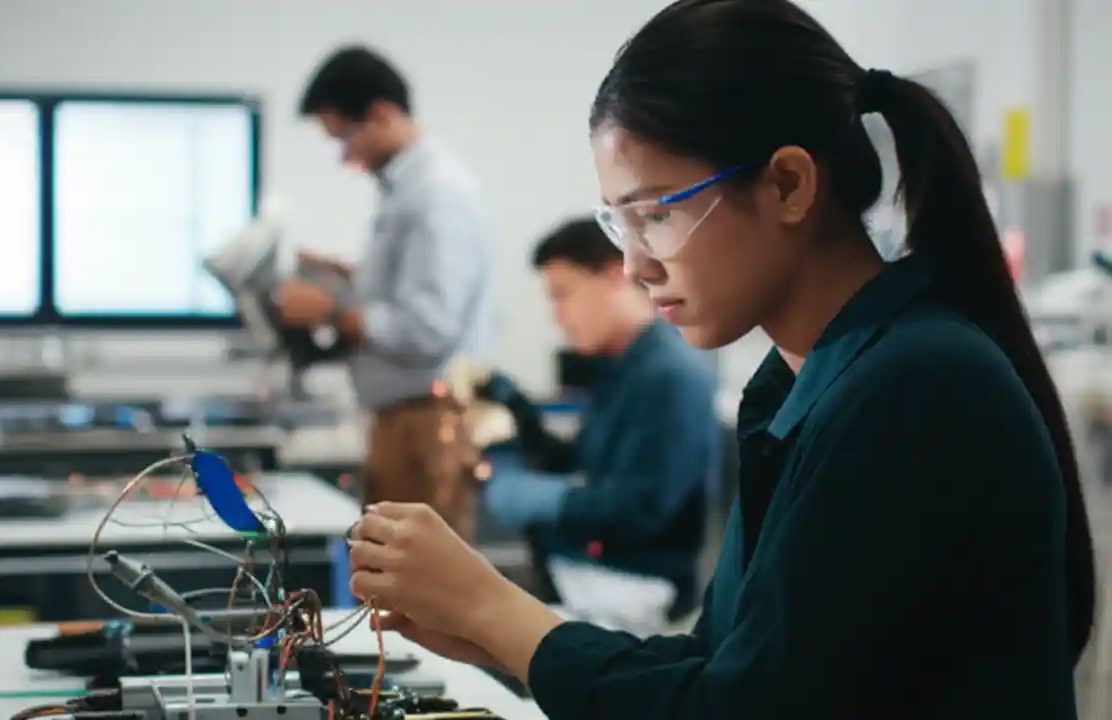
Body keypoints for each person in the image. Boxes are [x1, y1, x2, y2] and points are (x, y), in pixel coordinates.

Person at [345, 1, 1098, 717]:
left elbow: (736, 711)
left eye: (659, 215)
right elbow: (721, 666)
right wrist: (496, 638)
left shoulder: (918, 387)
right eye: (620, 225)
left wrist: (492, 607)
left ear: (789, 185)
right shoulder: (796, 384)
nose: (637, 266)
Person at [276, 45, 494, 540]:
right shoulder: (407, 189)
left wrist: (331, 308)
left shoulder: (436, 192)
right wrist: (344, 276)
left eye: (343, 138)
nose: (343, 157)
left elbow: (429, 328)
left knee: (423, 596)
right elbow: (408, 289)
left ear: (380, 115)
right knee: (395, 584)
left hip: (427, 424)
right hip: (405, 418)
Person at [478, 218, 719, 622]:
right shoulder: (625, 363)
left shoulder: (668, 374)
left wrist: (529, 496)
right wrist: (522, 418)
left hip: (638, 590)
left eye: (563, 295)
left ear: (612, 275)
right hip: (593, 572)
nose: (557, 316)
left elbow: (638, 509)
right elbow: (591, 464)